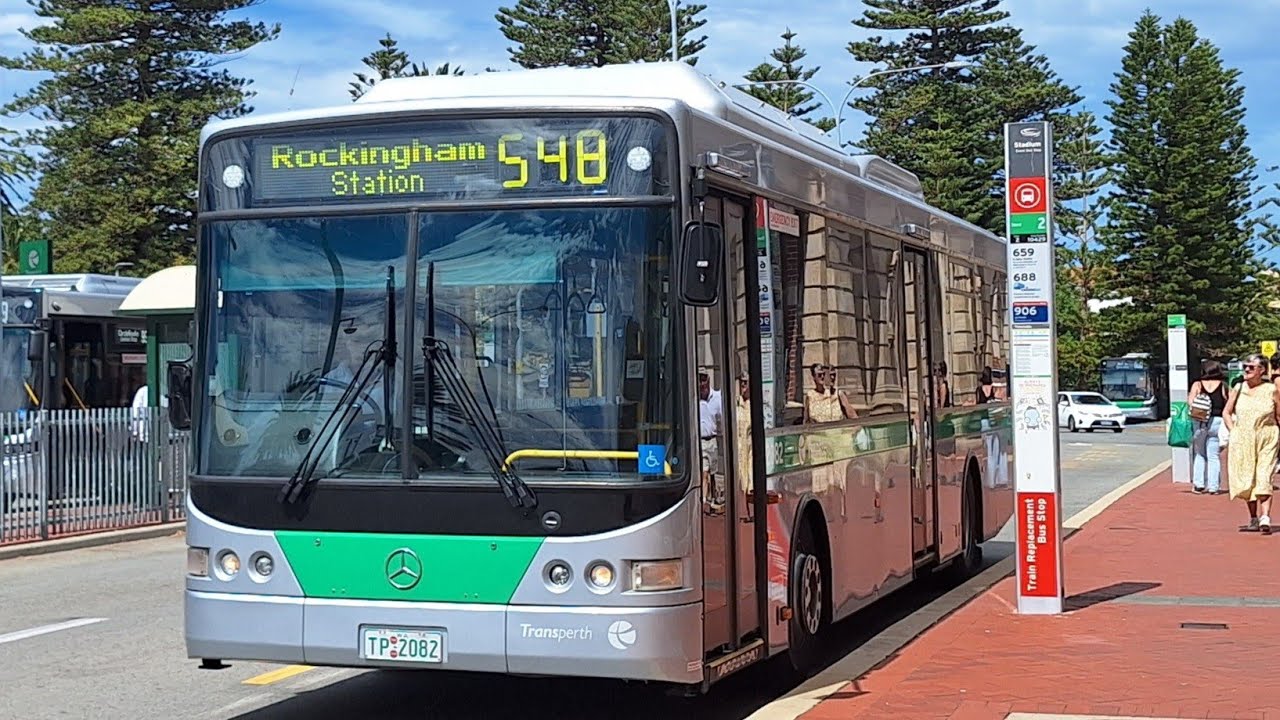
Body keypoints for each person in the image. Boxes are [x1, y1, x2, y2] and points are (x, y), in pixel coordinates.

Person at [1224, 354, 1280, 533]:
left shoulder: (1271, 389)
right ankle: (1254, 518)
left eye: (1251, 367)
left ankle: (1265, 517)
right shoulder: (1239, 388)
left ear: (1262, 370)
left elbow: (1279, 414)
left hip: (1267, 436)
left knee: (1264, 476)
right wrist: (1233, 430)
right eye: (1245, 367)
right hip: (1243, 439)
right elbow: (1227, 412)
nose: (1247, 370)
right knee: (1247, 478)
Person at [1188, 360, 1228, 495]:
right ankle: (1213, 487)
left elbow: (1190, 403)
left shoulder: (1197, 385)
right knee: (1214, 455)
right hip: (1217, 422)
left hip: (1199, 421)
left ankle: (1199, 485)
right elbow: (1229, 405)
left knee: (1200, 453)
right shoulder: (1223, 386)